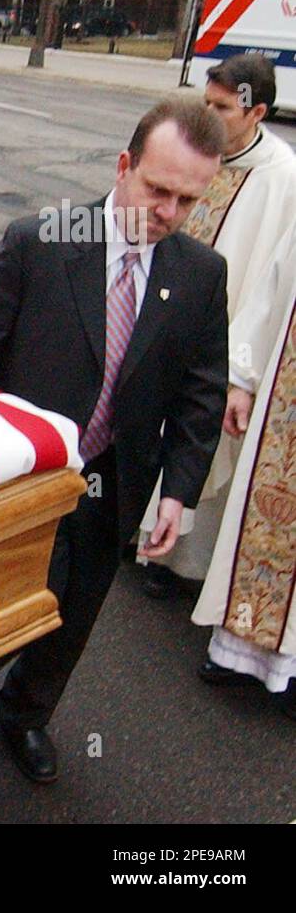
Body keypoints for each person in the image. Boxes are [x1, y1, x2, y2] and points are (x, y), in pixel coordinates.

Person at [0, 99, 229, 783]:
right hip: (24, 479)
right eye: (158, 189)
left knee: (70, 620)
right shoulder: (39, 242)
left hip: (111, 485)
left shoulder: (199, 274)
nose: (168, 212)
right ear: (124, 167)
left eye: (188, 200)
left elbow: (201, 392)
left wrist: (178, 492)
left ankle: (25, 718)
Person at [140, 54, 296, 598]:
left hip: (222, 338)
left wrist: (240, 369)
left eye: (222, 107)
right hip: (165, 321)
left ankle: (181, 561)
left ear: (257, 111)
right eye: (204, 102)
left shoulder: (284, 178)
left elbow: (273, 282)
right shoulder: (196, 155)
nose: (208, 114)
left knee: (199, 444)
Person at [191, 229, 296, 718]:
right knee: (264, 512)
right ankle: (238, 649)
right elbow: (274, 286)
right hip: (285, 398)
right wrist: (243, 377)